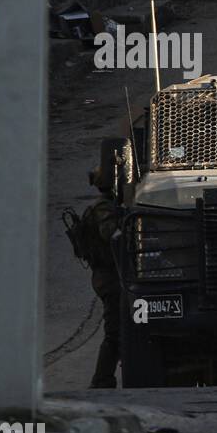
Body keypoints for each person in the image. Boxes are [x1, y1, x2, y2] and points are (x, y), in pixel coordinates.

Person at [80, 167, 123, 389]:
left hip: (107, 276)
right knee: (114, 331)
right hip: (109, 277)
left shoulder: (102, 206)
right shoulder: (103, 208)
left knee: (118, 329)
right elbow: (112, 234)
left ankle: (104, 379)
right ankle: (102, 380)